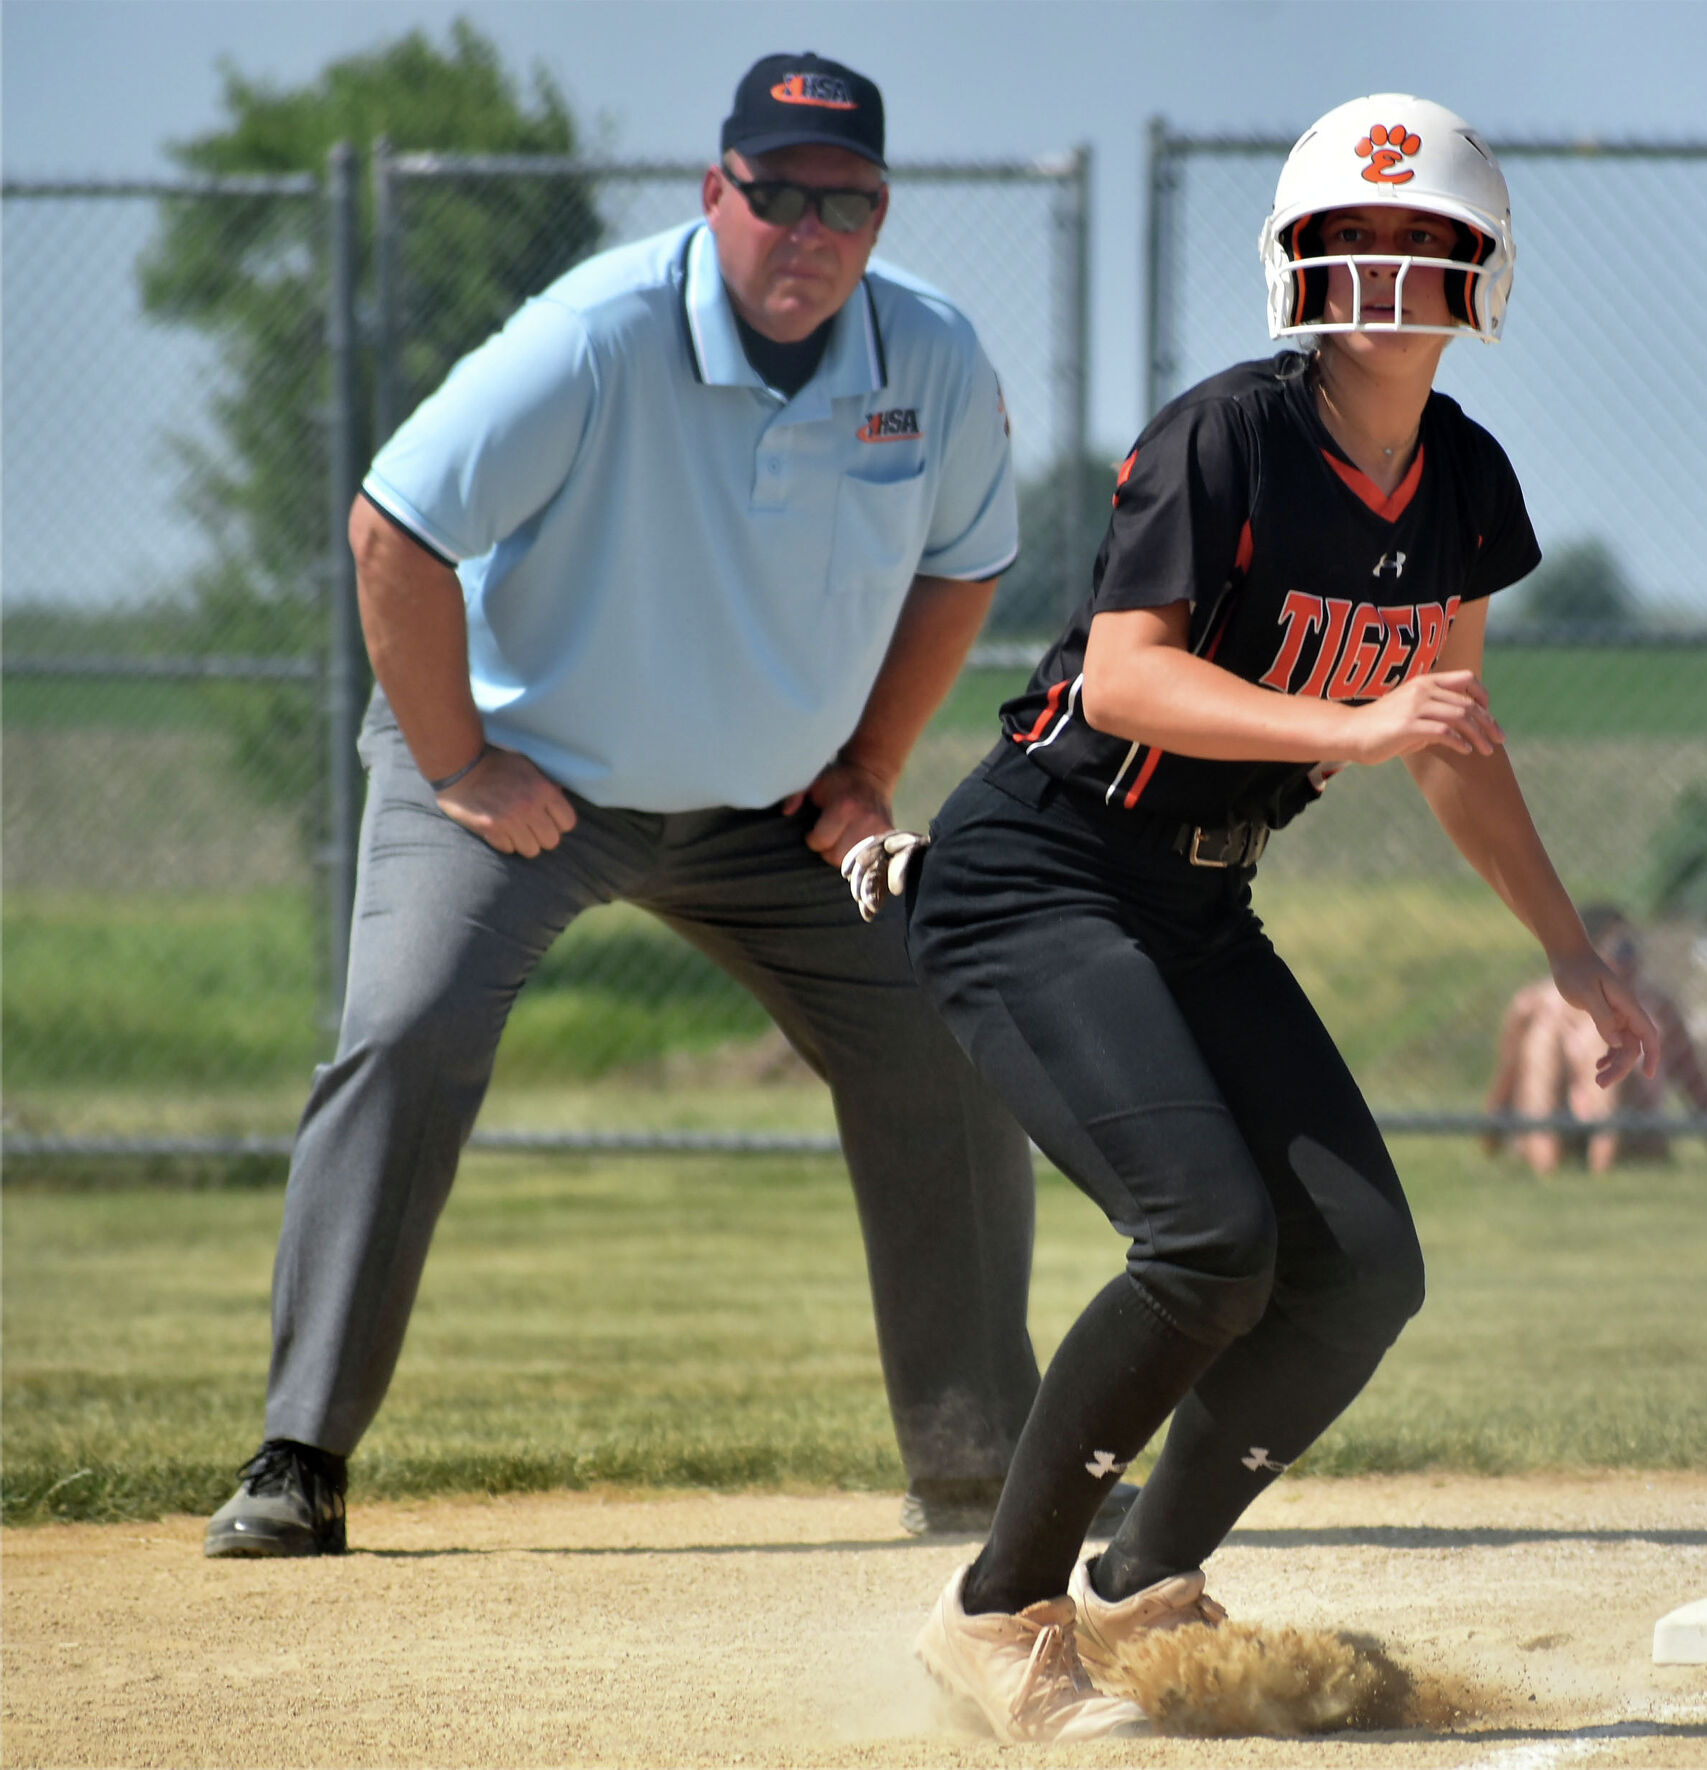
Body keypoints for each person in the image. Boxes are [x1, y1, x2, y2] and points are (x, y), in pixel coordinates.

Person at [203, 51, 1128, 1557]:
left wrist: (867, 769)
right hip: (520, 777)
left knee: (943, 1020)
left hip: (768, 809)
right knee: (410, 1026)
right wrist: (456, 764)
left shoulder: (933, 360)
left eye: (845, 201)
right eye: (777, 194)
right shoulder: (596, 337)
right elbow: (392, 529)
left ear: (881, 214)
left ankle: (976, 1468)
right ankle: (296, 1455)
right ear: (716, 192)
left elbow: (965, 566)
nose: (808, 229)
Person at [842, 95, 1660, 1740]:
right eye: (1352, 239)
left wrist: (1569, 951)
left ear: (1478, 268)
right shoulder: (1228, 433)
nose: (1385, 270)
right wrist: (1355, 722)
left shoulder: (1463, 483)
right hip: (1042, 870)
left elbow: (1452, 742)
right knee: (1210, 1240)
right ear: (1299, 265)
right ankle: (996, 1610)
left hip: (1199, 900)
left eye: (1419, 239)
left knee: (1359, 1268)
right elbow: (1126, 679)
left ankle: (1143, 1580)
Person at [1481, 903, 1707, 1172]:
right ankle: (1546, 1162)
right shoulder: (1539, 1004)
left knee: (1598, 1041)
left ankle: (1603, 1161)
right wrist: (1490, 1138)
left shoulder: (1655, 1008)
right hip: (1560, 1116)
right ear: (1589, 954)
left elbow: (1694, 1081)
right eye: (1623, 951)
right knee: (1542, 1040)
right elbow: (1507, 1076)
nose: (1632, 961)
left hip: (1633, 1127)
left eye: (1635, 949)